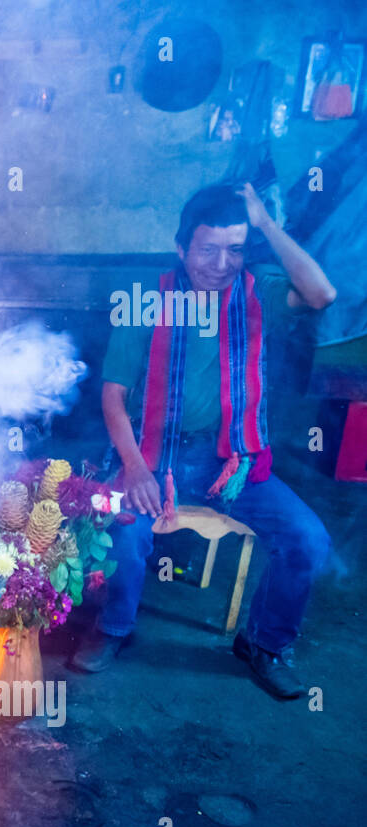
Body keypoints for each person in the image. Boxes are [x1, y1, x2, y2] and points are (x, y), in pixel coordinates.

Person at [71, 182, 336, 700]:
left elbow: (321, 294)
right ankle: (113, 627)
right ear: (181, 247)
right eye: (208, 249)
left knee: (308, 539)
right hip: (154, 456)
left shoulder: (260, 294)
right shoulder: (147, 302)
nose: (221, 264)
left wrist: (265, 223)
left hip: (232, 465)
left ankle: (264, 644)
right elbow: (113, 397)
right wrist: (135, 468)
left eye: (234, 249)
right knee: (125, 532)